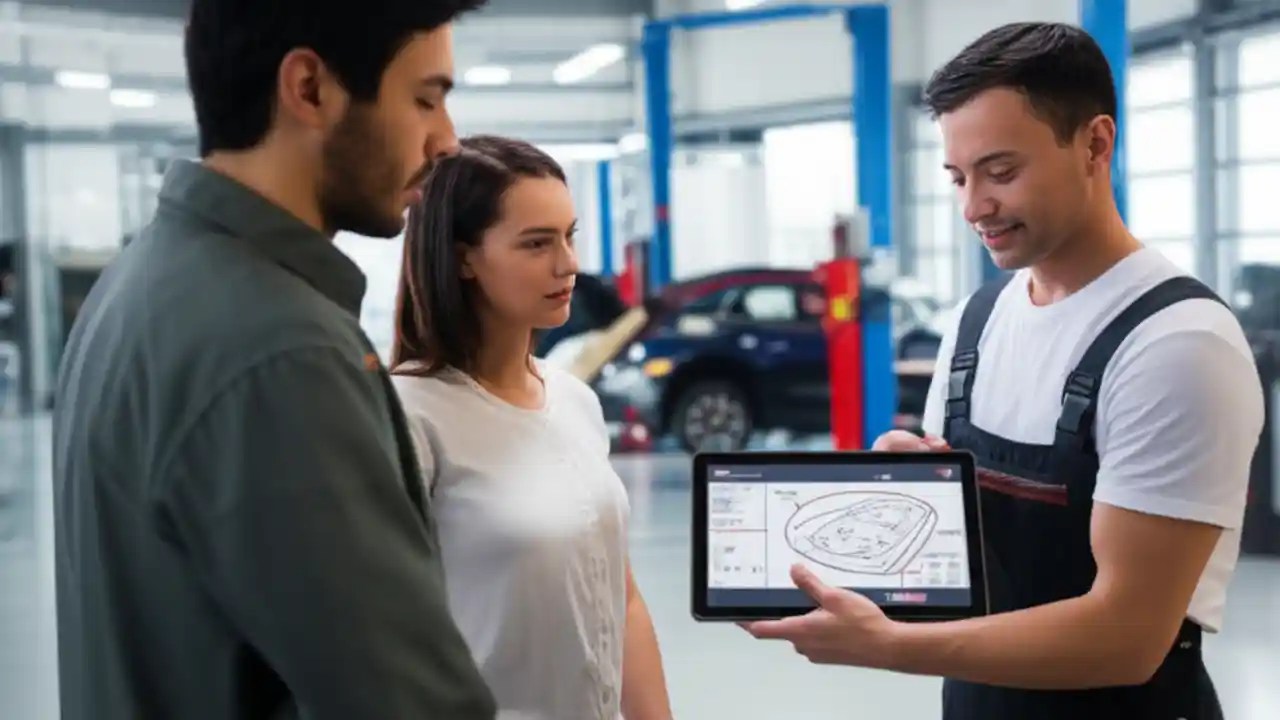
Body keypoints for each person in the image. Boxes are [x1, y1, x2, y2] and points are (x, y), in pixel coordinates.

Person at [741, 22, 1264, 720]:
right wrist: (923, 495)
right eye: (959, 177)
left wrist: (886, 645)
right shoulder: (976, 321)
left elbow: (1128, 637)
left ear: (1095, 144)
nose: (972, 207)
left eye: (1001, 171)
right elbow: (971, 576)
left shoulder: (1177, 344)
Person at [51, 2, 497, 718]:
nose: (446, 139)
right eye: (425, 98)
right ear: (310, 89)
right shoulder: (282, 352)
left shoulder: (141, 283)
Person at [389, 135, 674, 720]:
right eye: (536, 244)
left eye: (569, 236)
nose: (567, 264)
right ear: (464, 257)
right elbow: (381, 645)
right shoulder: (408, 416)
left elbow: (622, 601)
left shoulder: (572, 400)